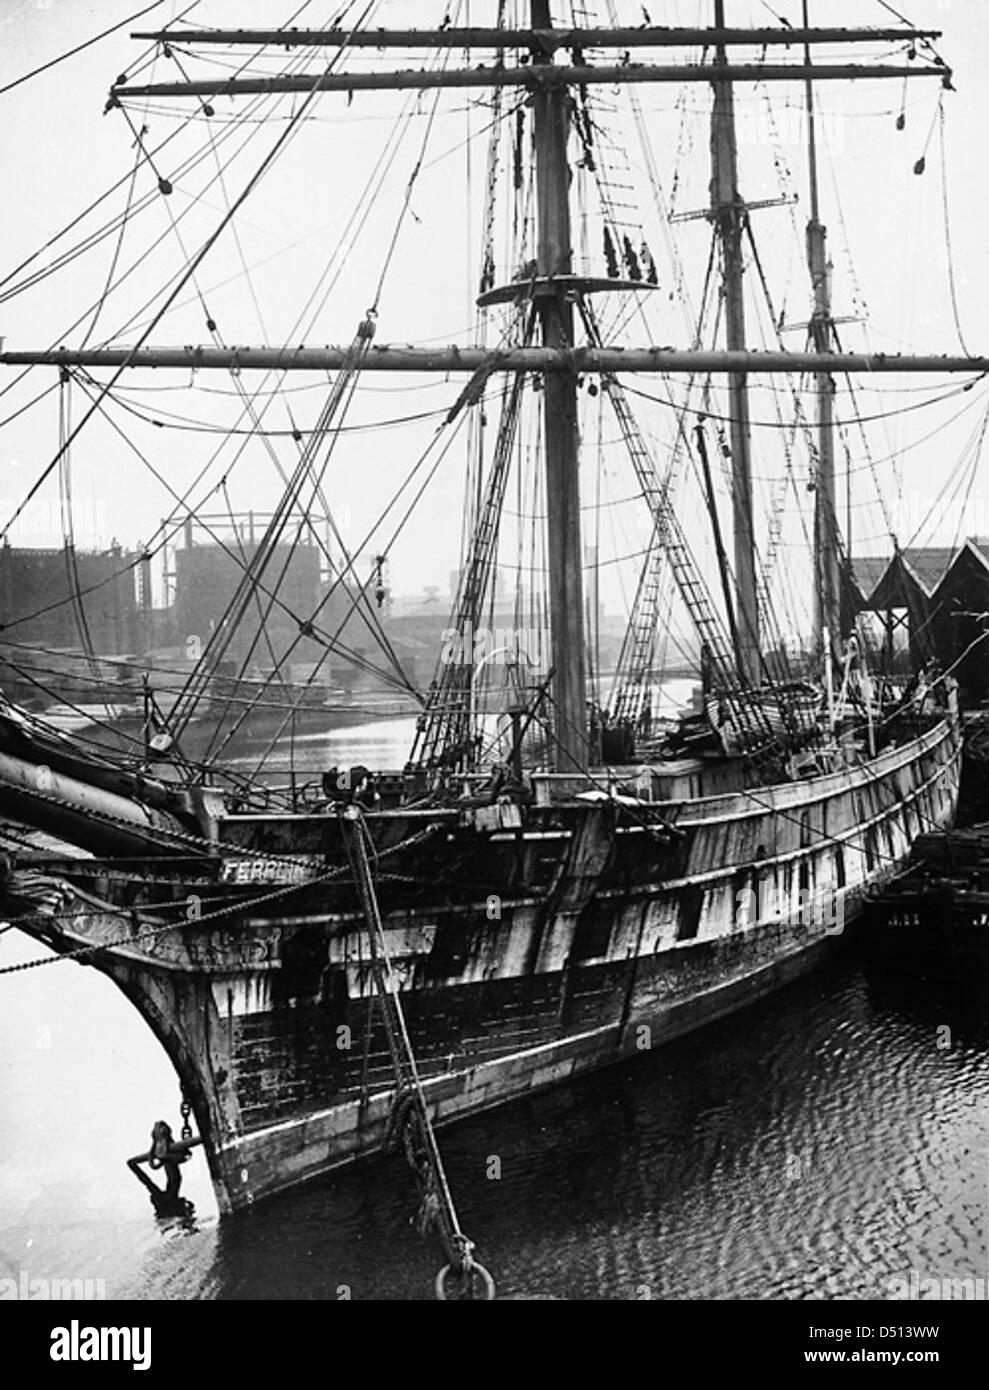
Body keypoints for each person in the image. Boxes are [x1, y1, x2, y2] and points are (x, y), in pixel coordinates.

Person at [127, 1121, 198, 1220]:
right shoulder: (166, 1197)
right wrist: (165, 1156)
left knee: (174, 1180)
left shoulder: (163, 1197)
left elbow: (146, 1180)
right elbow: (172, 1178)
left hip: (170, 1211)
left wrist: (132, 1163)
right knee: (174, 1180)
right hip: (172, 1210)